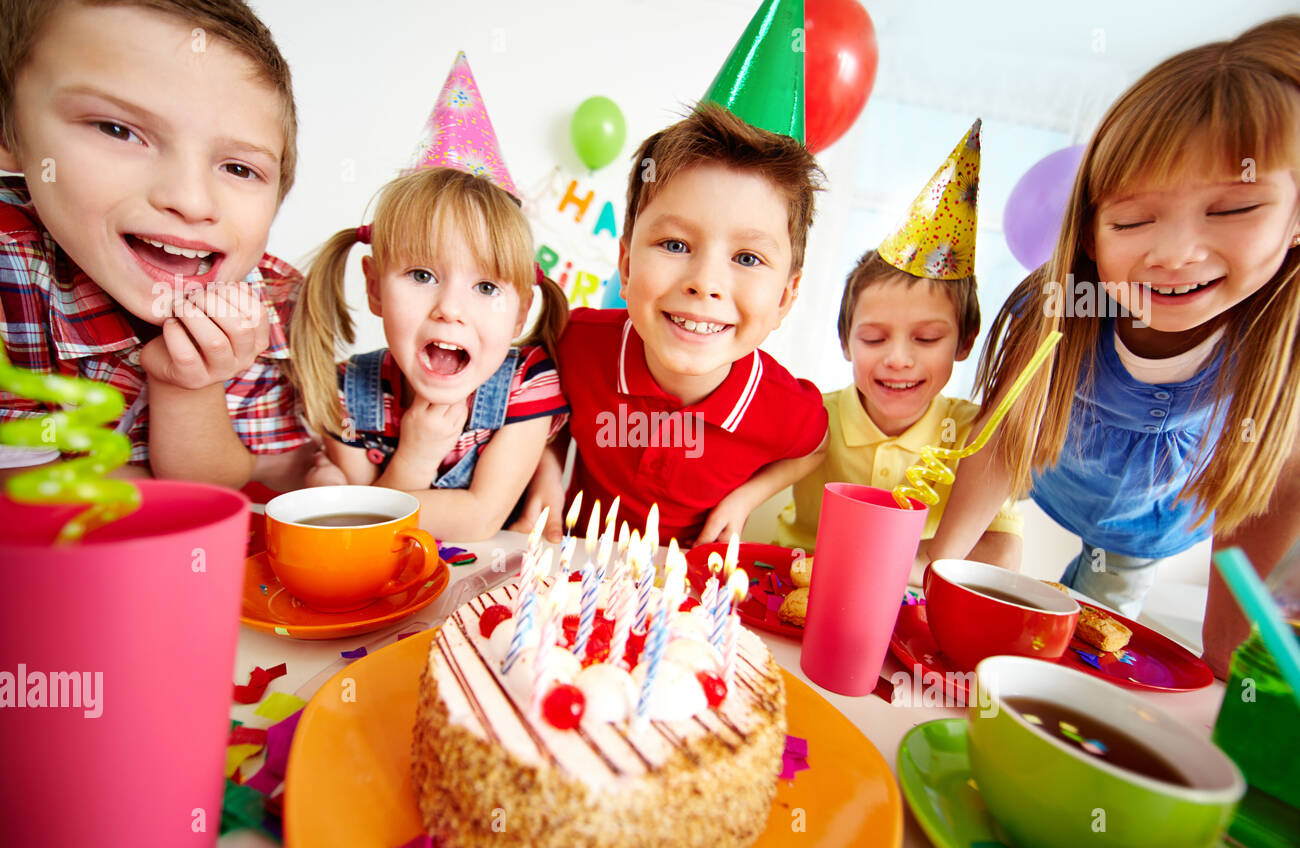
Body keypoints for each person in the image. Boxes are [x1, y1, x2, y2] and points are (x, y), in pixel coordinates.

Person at [927, 16, 1300, 678]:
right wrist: (938, 561)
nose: (1175, 252)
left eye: (1233, 210)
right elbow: (1005, 437)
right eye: (1132, 219)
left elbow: (1260, 509)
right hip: (1056, 479)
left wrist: (1225, 667)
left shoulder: (1281, 357)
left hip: (1156, 526)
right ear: (1092, 233)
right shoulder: (1060, 309)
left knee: (1096, 644)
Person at [0, 0, 314, 489]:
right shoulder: (8, 270)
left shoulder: (270, 296)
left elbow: (218, 485)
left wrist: (189, 387)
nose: (190, 201)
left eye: (238, 167)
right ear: (9, 130)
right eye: (118, 130)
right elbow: (26, 501)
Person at [517, 101, 830, 546]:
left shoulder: (783, 407)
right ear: (625, 266)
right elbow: (538, 399)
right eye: (675, 244)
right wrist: (545, 470)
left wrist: (745, 499)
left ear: (784, 297)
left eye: (747, 258)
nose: (705, 283)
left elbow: (816, 447)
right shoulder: (574, 342)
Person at [777, 123, 1022, 577]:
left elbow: (1004, 554)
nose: (898, 359)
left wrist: (897, 562)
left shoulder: (975, 437)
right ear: (846, 341)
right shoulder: (814, 415)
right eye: (874, 339)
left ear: (965, 341)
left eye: (927, 339)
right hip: (790, 586)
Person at [293, 150, 569, 539]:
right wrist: (415, 459)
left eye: (486, 287)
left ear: (521, 311)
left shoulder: (528, 381)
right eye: (421, 275)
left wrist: (366, 504)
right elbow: (355, 532)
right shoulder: (347, 394)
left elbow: (479, 519)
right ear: (374, 287)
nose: (450, 309)